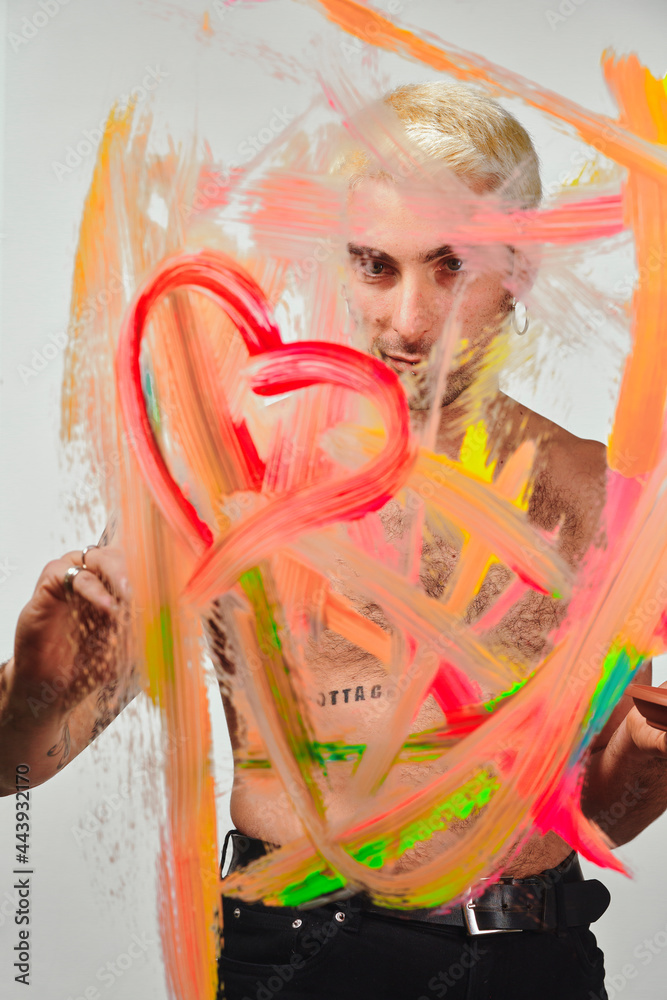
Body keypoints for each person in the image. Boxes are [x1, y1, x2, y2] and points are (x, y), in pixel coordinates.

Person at [2, 82, 667, 1000]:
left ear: (518, 266)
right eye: (375, 267)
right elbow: (14, 767)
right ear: (335, 262)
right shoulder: (225, 468)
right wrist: (36, 690)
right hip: (312, 960)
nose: (409, 321)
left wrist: (650, 746)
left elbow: (604, 814)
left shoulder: (598, 496)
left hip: (535, 956)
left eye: (452, 266)